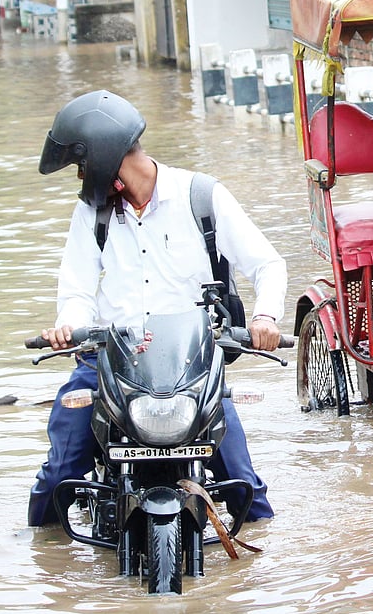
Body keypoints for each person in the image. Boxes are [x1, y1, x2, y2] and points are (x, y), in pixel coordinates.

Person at [28, 90, 287, 527]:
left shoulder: (201, 196)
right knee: (59, 475)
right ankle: (45, 569)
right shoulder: (91, 214)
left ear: (104, 157)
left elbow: (268, 264)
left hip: (191, 368)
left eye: (80, 166)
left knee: (245, 490)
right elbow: (76, 288)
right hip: (110, 361)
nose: (80, 178)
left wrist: (265, 318)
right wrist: (68, 326)